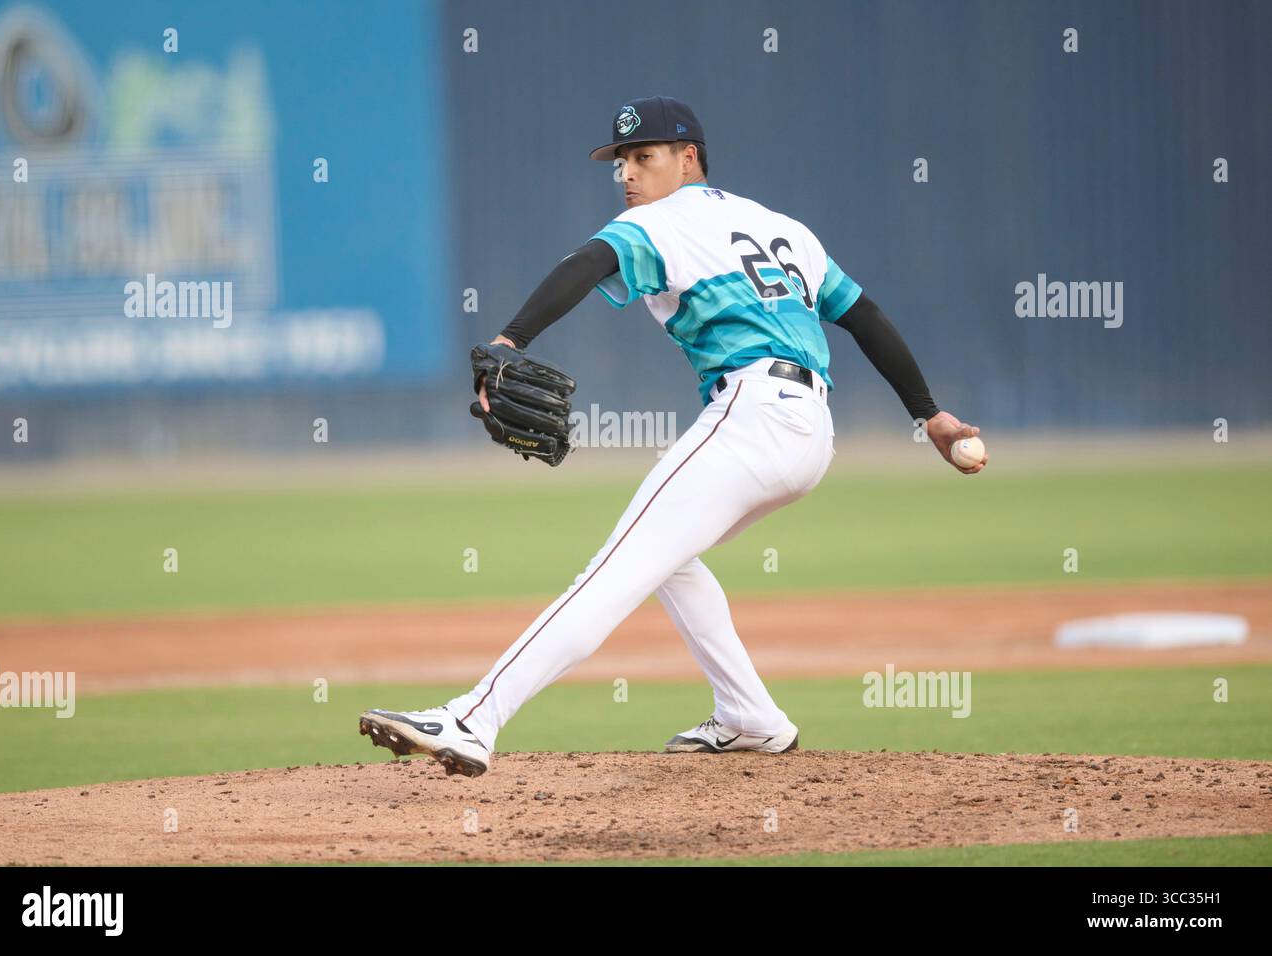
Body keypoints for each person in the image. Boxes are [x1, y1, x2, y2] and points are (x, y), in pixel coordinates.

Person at [359, 96, 987, 777]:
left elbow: (586, 263)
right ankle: (751, 717)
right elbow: (863, 316)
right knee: (669, 558)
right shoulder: (780, 227)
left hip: (751, 413)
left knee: (612, 571)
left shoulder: (659, 222)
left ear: (688, 158)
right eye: (622, 161)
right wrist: (929, 415)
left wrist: (511, 337)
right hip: (809, 434)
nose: (628, 173)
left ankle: (472, 720)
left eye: (644, 156)